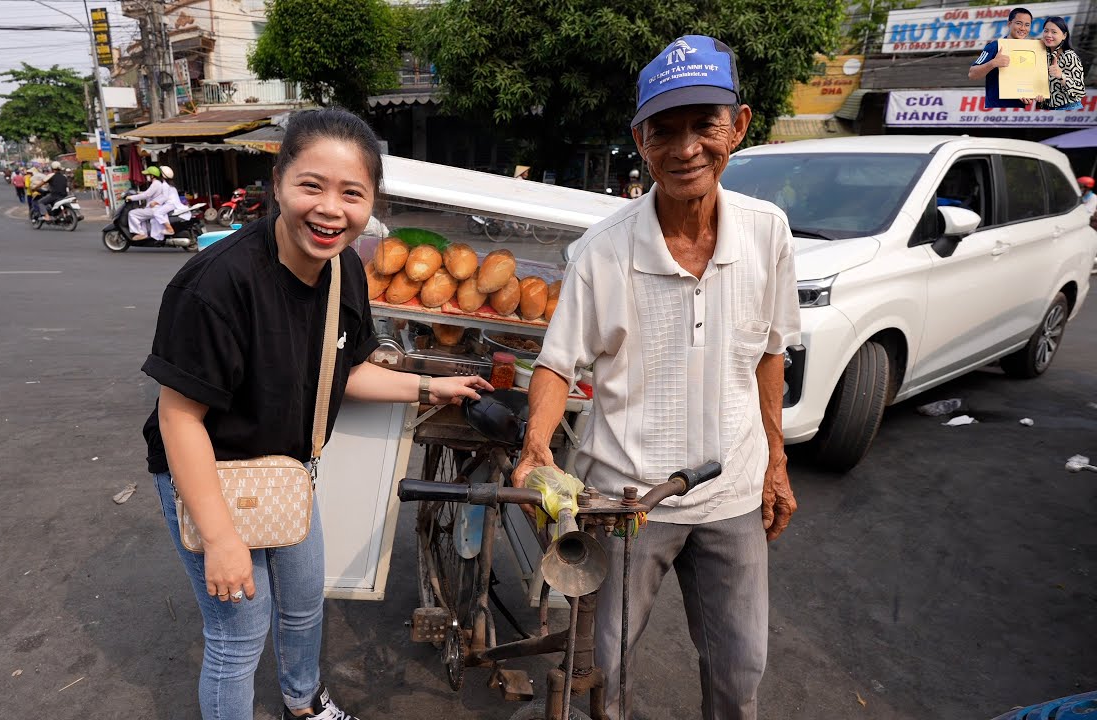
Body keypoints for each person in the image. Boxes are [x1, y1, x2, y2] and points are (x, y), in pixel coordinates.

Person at [142, 107, 493, 720]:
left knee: (305, 605)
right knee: (238, 633)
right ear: (279, 182)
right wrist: (220, 539)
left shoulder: (344, 270)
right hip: (209, 473)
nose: (331, 209)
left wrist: (426, 388)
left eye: (351, 193)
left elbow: (344, 369)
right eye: (312, 185)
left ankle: (303, 705)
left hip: (286, 472)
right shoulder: (217, 285)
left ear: (371, 203)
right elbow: (179, 418)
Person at [512, 35, 800, 720]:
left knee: (740, 670)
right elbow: (556, 363)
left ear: (739, 126)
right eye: (664, 130)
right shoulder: (601, 253)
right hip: (625, 502)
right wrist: (536, 446)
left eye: (705, 125)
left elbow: (770, 353)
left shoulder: (768, 233)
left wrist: (777, 461)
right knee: (605, 669)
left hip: (731, 493)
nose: (686, 148)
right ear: (640, 140)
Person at [968, 7, 1033, 109]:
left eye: (1027, 25)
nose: (1023, 28)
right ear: (1009, 24)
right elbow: (972, 75)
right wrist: (993, 63)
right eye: (1019, 23)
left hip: (1022, 111)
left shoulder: (1032, 51)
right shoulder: (994, 46)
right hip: (996, 109)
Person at [1039, 17, 1085, 110]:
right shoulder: (1043, 54)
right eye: (1046, 31)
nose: (1048, 35)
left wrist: (1061, 76)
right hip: (1048, 107)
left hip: (1067, 107)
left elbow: (1080, 90)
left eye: (1054, 32)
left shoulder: (1070, 56)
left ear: (1064, 35)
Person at [125, 166, 168, 241]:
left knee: (132, 213)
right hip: (155, 208)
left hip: (154, 209)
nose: (146, 177)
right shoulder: (157, 183)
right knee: (141, 215)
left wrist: (131, 197)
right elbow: (149, 193)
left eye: (147, 175)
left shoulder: (156, 184)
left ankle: (140, 233)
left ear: (152, 176)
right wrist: (139, 193)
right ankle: (144, 232)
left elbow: (146, 195)